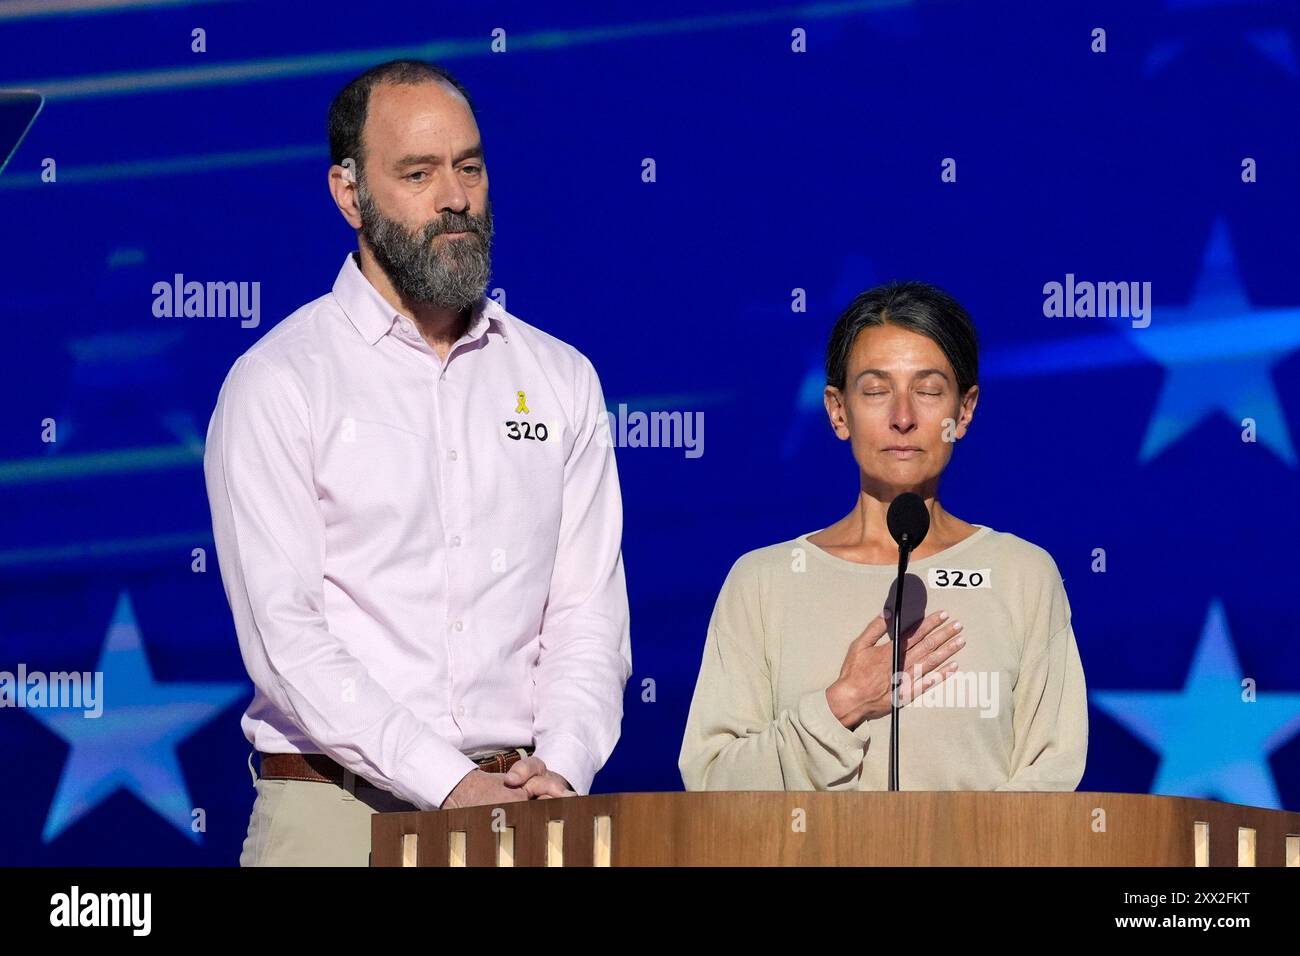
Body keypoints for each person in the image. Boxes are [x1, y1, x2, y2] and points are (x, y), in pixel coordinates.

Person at [204, 60, 631, 866]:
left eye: (469, 167)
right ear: (348, 194)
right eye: (417, 172)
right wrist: (447, 783)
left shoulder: (560, 378)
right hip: (337, 817)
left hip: (528, 814)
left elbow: (587, 616)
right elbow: (286, 639)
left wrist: (564, 767)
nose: (455, 197)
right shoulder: (281, 381)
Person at [678, 281, 1087, 792]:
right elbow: (713, 780)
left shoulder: (1021, 574)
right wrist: (840, 705)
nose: (902, 418)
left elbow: (1051, 778)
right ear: (837, 411)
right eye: (875, 391)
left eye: (929, 390)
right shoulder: (763, 581)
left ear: (964, 411)